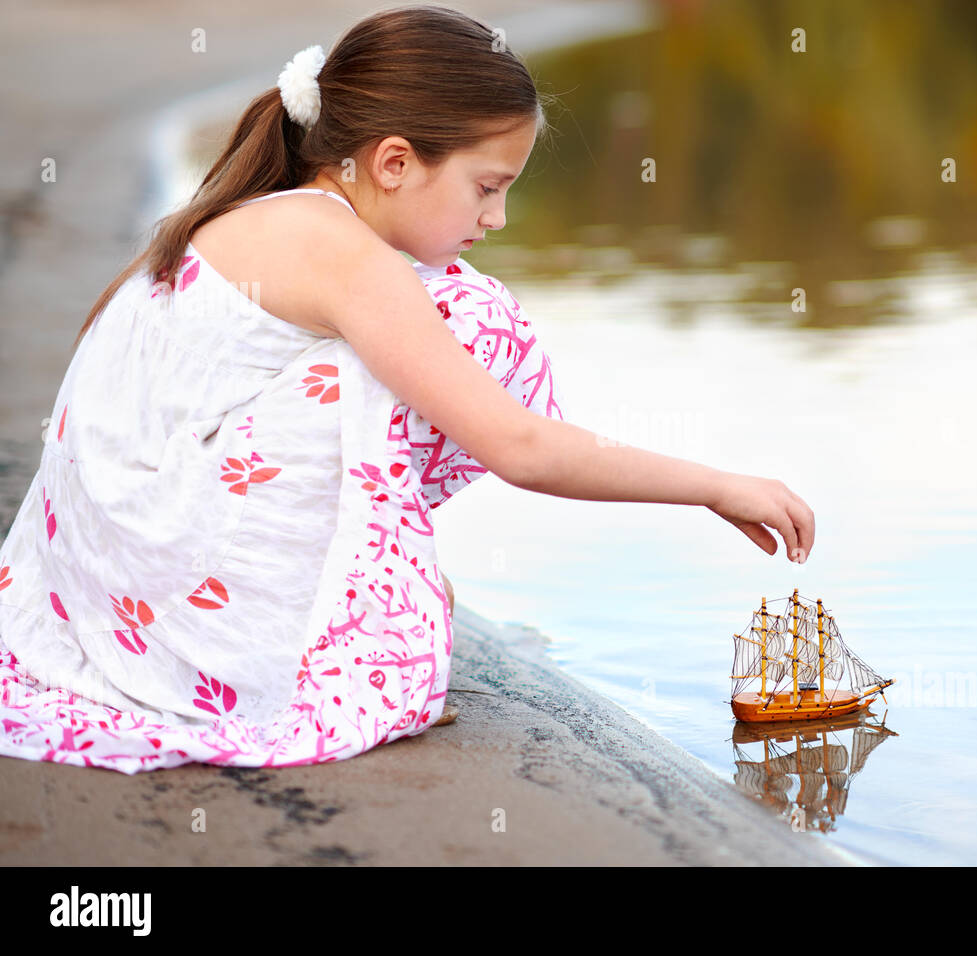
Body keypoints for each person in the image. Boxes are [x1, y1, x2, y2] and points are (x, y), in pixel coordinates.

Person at [0, 4, 813, 775]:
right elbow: (522, 446)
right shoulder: (339, 253)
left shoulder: (283, 213)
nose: (496, 218)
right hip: (156, 591)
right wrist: (715, 486)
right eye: (487, 187)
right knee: (472, 314)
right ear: (393, 163)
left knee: (439, 312)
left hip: (108, 561)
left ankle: (361, 577)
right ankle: (332, 611)